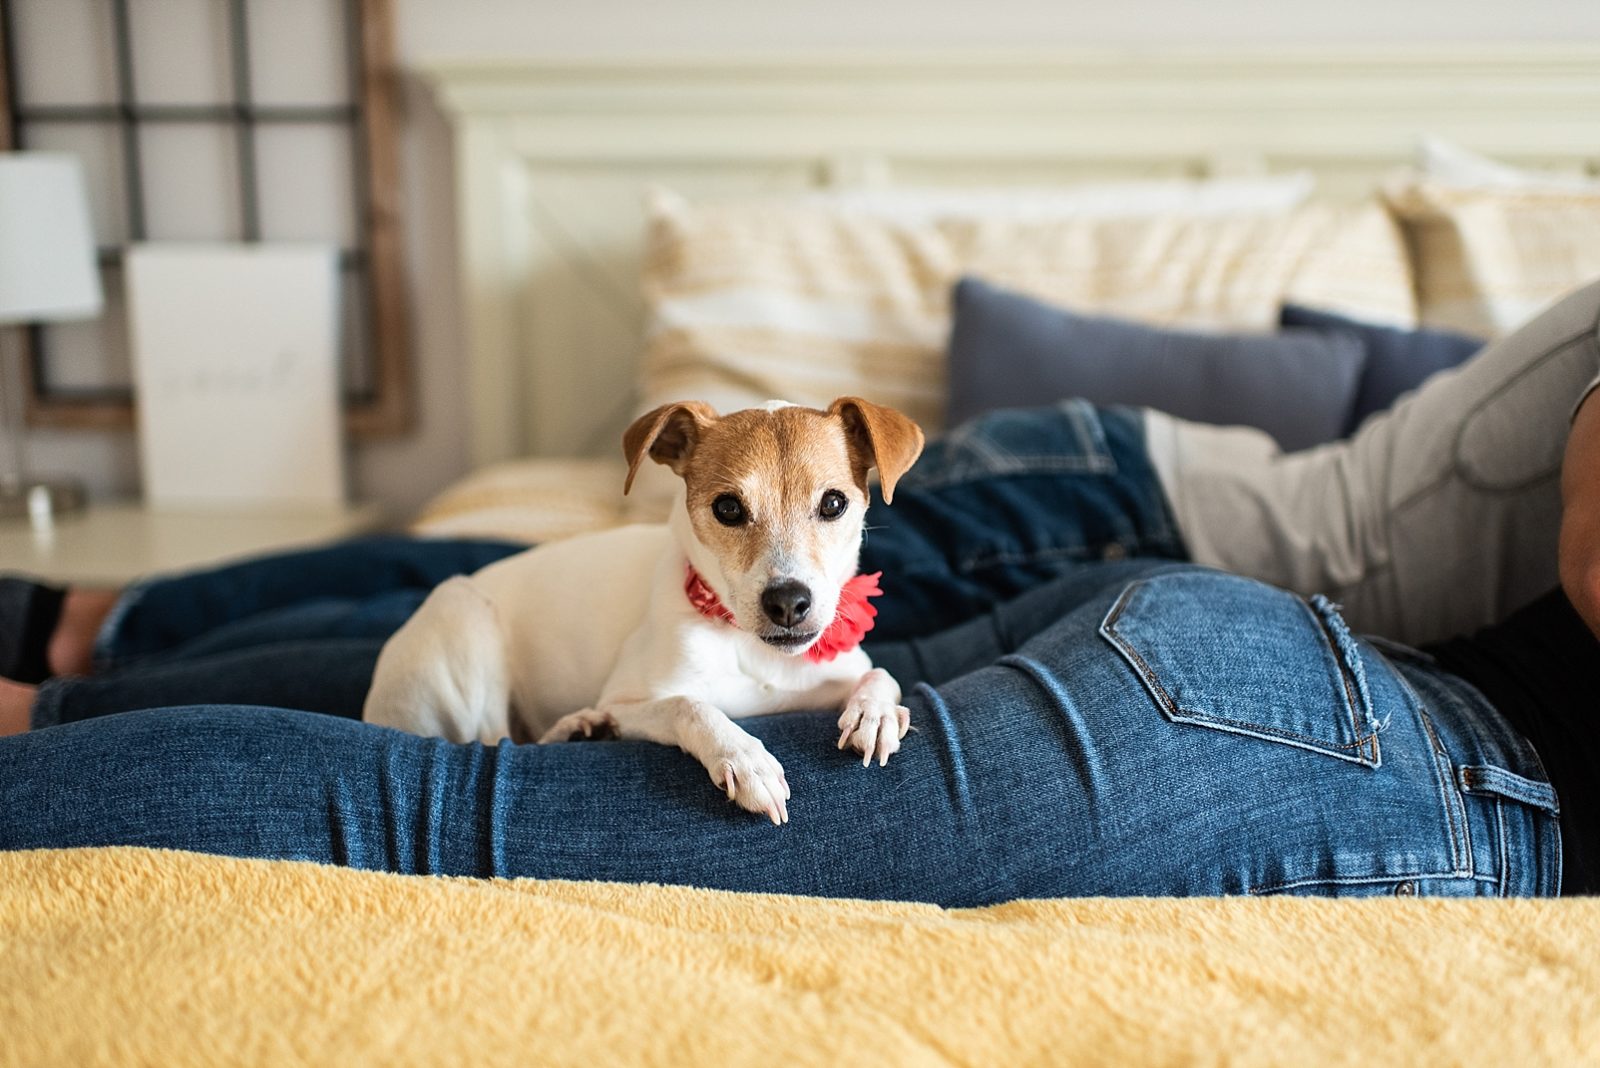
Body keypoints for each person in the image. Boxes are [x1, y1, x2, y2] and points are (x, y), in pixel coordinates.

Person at [0, 280, 1595, 902]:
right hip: (1294, 656)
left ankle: (62, 684)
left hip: (1225, 618)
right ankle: (77, 647)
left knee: (536, 635)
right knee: (474, 774)